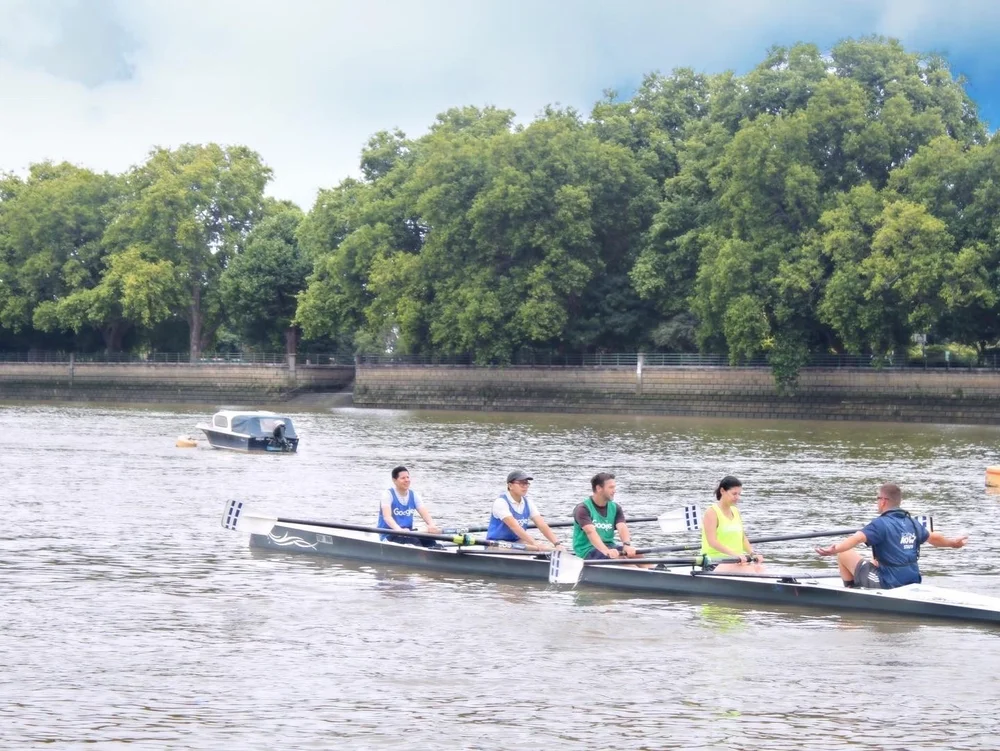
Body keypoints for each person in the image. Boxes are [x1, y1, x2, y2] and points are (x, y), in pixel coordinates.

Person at [816, 483, 967, 588]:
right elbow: (934, 538)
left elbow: (857, 538)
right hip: (913, 580)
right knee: (876, 559)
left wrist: (835, 549)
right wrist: (953, 543)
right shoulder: (912, 522)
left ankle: (851, 591)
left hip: (889, 583)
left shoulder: (879, 524)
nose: (877, 502)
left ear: (883, 501)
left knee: (844, 553)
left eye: (877, 498)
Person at [572, 472, 645, 563]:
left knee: (638, 555)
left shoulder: (615, 507)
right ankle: (640, 574)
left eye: (614, 487)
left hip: (610, 546)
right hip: (587, 550)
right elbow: (590, 532)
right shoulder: (582, 508)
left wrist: (627, 545)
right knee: (622, 560)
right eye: (611, 487)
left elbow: (622, 527)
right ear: (599, 488)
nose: (614, 490)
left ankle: (655, 572)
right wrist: (605, 551)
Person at [485, 470, 562, 550]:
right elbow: (514, 527)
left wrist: (557, 544)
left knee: (549, 547)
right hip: (496, 543)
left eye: (526, 483)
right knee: (535, 547)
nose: (525, 486)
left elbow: (542, 525)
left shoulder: (528, 502)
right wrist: (535, 544)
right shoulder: (501, 502)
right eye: (521, 483)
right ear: (510, 486)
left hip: (517, 542)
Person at [700, 475, 763, 572]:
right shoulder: (711, 512)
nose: (737, 497)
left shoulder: (736, 511)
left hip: (736, 561)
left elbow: (742, 538)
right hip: (714, 562)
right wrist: (734, 554)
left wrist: (752, 554)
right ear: (722, 491)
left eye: (739, 494)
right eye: (734, 494)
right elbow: (712, 542)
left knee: (760, 569)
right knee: (751, 571)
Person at [376, 466, 442, 547]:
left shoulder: (414, 495)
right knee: (414, 541)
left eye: (408, 477)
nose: (407, 480)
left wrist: (432, 526)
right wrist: (399, 530)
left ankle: (437, 554)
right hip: (390, 534)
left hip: (407, 533)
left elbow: (425, 514)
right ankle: (423, 557)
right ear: (394, 480)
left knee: (429, 540)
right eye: (403, 478)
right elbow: (387, 517)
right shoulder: (388, 495)